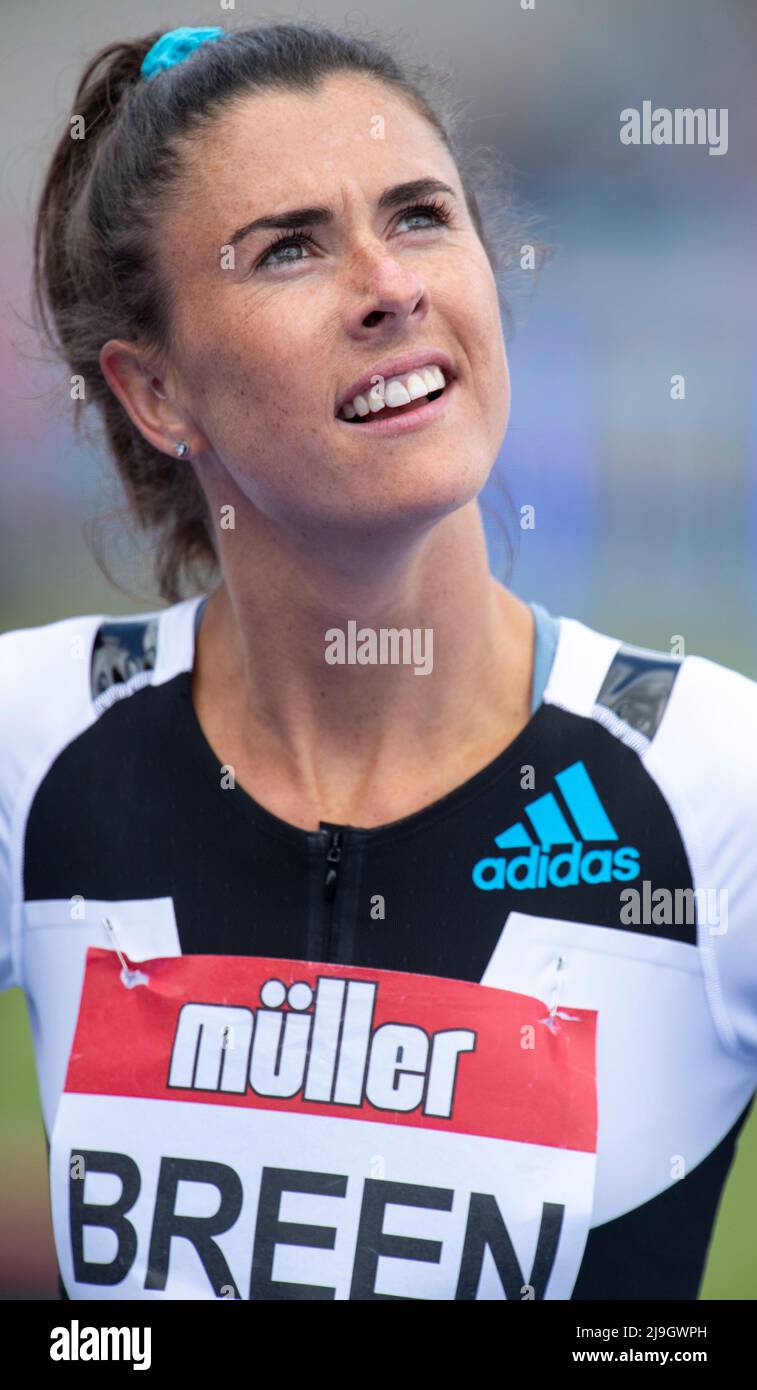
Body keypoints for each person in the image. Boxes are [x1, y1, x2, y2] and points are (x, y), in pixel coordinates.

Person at [1, 21, 756, 1303]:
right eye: (288, 247)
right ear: (153, 391)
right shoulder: (36, 734)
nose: (388, 282)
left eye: (418, 217)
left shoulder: (713, 779)